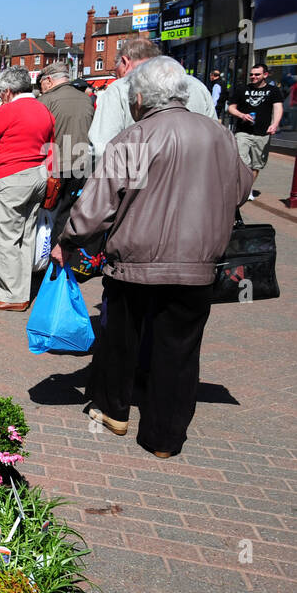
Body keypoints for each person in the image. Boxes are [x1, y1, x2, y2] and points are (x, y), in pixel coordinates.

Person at [56, 57, 252, 459]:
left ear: (141, 97)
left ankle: (114, 412)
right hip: (197, 264)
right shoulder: (219, 136)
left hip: (136, 262)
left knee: (121, 342)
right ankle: (164, 439)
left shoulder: (136, 138)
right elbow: (240, 188)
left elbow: (98, 207)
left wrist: (69, 239)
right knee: (179, 350)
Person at [0, 65, 55, 311]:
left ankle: (11, 296)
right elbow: (52, 146)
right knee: (25, 236)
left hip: (11, 177)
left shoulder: (8, 110)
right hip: (38, 175)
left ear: (8, 91)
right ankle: (22, 291)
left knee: (5, 238)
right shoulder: (44, 109)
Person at [88, 37, 215, 160]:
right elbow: (215, 139)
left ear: (125, 62)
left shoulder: (120, 88)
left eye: (116, 72)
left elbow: (102, 150)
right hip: (198, 177)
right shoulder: (197, 86)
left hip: (142, 178)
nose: (117, 77)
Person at [37, 61, 94, 249]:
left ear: (49, 80)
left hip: (54, 168)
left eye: (41, 83)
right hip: (81, 165)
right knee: (67, 214)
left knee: (45, 215)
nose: (41, 88)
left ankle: (44, 259)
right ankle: (62, 255)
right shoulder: (86, 99)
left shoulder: (46, 100)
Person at [226, 62, 285, 182]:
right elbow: (231, 108)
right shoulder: (242, 89)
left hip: (262, 133)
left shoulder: (273, 90)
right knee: (241, 161)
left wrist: (274, 124)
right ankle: (240, 187)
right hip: (243, 132)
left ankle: (247, 190)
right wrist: (241, 114)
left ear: (265, 75)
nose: (253, 77)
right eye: (251, 75)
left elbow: (278, 107)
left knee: (256, 164)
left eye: (257, 74)